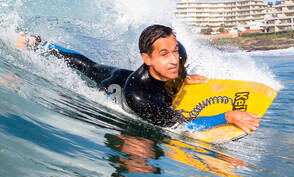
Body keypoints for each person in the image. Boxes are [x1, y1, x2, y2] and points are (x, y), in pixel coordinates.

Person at [18, 24, 261, 135]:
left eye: (175, 51)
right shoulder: (139, 98)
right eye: (164, 54)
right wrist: (227, 117)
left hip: (131, 75)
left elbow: (177, 63)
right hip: (116, 87)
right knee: (87, 69)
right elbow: (182, 124)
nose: (174, 59)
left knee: (91, 65)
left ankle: (40, 43)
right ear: (147, 58)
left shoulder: (178, 55)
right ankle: (39, 44)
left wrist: (183, 79)